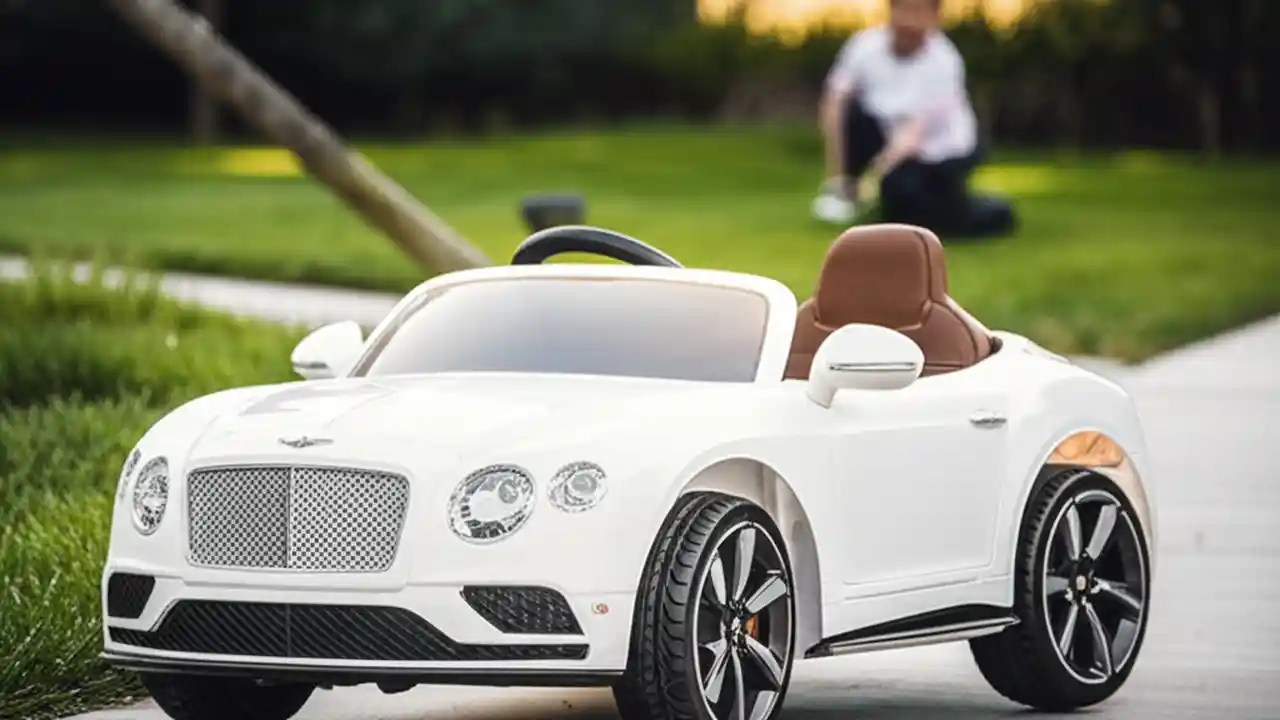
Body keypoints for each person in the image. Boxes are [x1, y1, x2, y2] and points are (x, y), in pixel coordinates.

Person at [813, 0, 1005, 236]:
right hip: (888, 138)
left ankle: (984, 208)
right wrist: (838, 177)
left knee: (928, 213)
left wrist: (869, 183)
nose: (910, 21)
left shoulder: (944, 61)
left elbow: (910, 137)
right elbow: (835, 102)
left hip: (940, 153)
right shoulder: (864, 47)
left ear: (935, 17)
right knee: (857, 120)